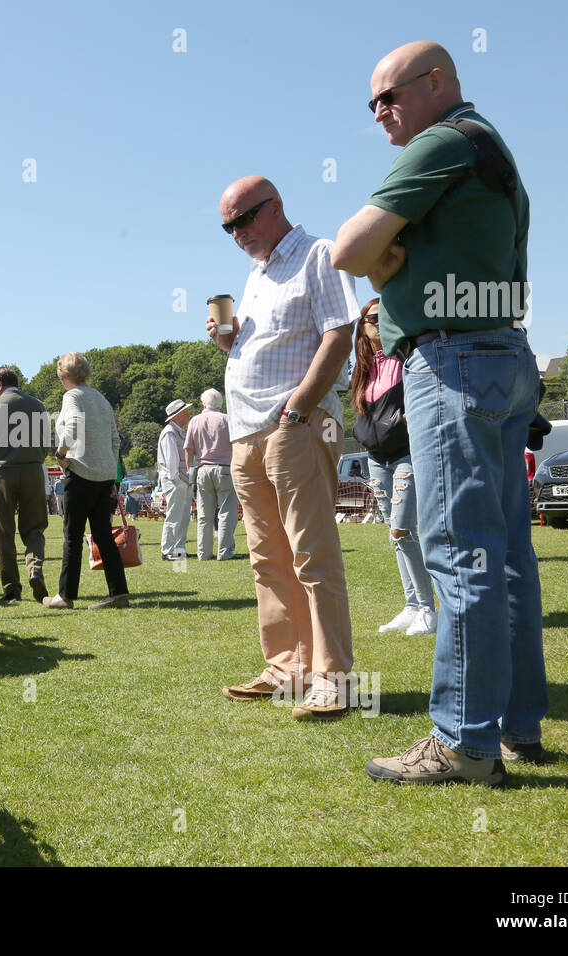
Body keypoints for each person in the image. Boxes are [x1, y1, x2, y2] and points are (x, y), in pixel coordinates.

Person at [332, 40, 542, 785]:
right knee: (506, 554)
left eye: (391, 94)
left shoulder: (441, 141)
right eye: (372, 103)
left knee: (460, 554)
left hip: (452, 360)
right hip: (502, 355)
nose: (381, 111)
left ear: (437, 83)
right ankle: (515, 727)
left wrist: (386, 259)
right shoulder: (485, 144)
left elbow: (347, 250)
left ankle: (462, 742)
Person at [210, 175, 359, 720]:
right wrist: (229, 340)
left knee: (312, 555)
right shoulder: (255, 275)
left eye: (243, 219)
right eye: (227, 226)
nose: (235, 233)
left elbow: (341, 332)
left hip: (296, 424)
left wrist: (297, 410)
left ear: (274, 207)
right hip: (246, 432)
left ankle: (334, 679)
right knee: (268, 560)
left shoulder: (318, 254)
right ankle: (287, 667)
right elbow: (266, 345)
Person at [350, 297, 436, 635]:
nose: (376, 322)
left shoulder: (407, 356)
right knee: (394, 533)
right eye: (371, 317)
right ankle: (411, 604)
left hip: (406, 454)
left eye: (383, 316)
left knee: (404, 529)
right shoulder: (362, 367)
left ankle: (427, 608)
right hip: (376, 458)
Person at [42, 352, 129, 610]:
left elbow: (72, 428)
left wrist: (60, 453)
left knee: (72, 536)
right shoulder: (101, 399)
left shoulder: (72, 396)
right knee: (103, 536)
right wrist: (111, 472)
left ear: (62, 375)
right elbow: (115, 439)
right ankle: (119, 593)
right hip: (104, 475)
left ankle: (65, 596)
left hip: (80, 473)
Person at [0, 367, 53, 603]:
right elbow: (46, 442)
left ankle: (11, 588)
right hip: (32, 471)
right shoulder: (37, 405)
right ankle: (35, 569)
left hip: (1, 473)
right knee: (34, 527)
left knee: (3, 532)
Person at [184, 388, 239, 560]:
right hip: (224, 469)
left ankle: (204, 553)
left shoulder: (195, 420)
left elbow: (188, 449)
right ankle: (224, 552)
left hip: (202, 470)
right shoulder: (227, 419)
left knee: (204, 515)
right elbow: (237, 445)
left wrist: (189, 471)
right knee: (226, 513)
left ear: (203, 404)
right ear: (220, 403)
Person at [156, 399, 193, 560]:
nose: (188, 415)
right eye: (185, 412)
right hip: (176, 481)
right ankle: (167, 550)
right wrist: (177, 480)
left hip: (182, 480)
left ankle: (178, 549)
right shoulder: (170, 432)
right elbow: (171, 461)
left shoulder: (177, 431)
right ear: (178, 415)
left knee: (183, 516)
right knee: (174, 515)